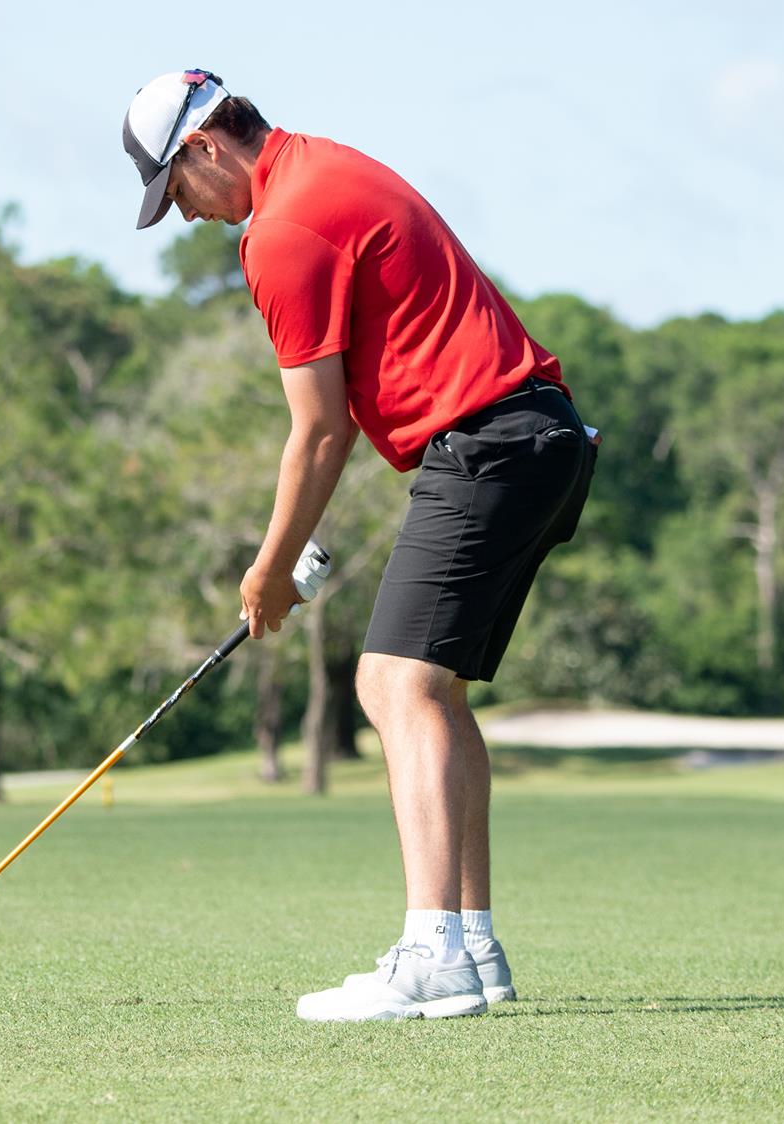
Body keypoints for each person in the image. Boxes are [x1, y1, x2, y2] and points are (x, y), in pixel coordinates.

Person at [123, 70, 597, 1022]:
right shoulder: (323, 166)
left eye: (176, 191)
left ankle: (433, 957)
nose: (187, 216)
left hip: (490, 443)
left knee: (392, 683)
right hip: (540, 437)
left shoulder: (282, 227)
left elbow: (320, 432)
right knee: (434, 690)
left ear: (206, 147)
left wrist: (265, 574)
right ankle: (471, 943)